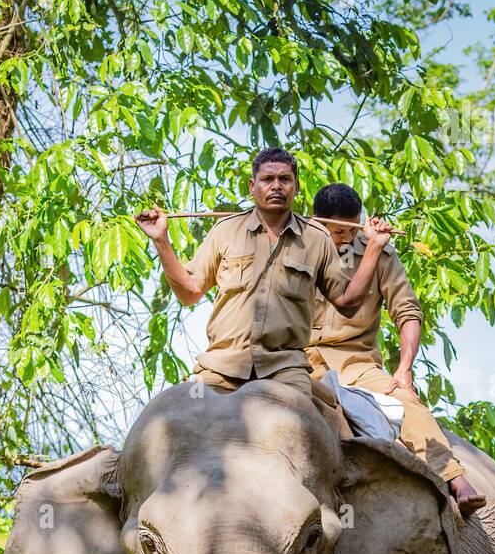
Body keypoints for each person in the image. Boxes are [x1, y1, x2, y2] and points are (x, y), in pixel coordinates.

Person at [135, 147, 395, 400]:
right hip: (220, 366)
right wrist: (161, 241)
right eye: (267, 179)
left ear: (296, 186)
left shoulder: (317, 238)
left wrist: (374, 247)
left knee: (300, 426)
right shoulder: (225, 230)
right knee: (178, 412)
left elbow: (348, 303)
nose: (277, 186)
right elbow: (189, 293)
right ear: (252, 186)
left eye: (285, 179)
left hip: (285, 370)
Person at [307, 181, 486, 515]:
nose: (344, 240)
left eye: (349, 231)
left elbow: (407, 312)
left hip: (356, 365)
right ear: (317, 222)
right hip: (298, 363)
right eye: (336, 232)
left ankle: (456, 480)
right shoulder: (296, 246)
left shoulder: (380, 251)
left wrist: (404, 369)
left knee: (406, 403)